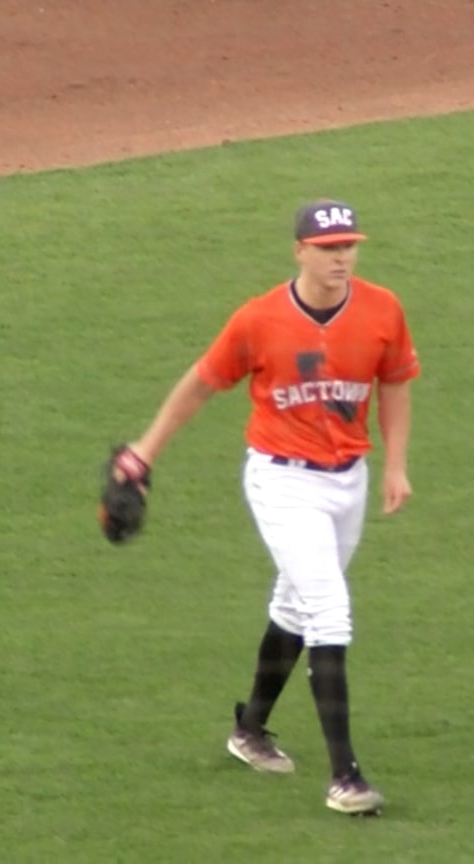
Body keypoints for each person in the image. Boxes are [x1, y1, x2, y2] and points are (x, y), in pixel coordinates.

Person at [115, 199, 419, 815]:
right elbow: (201, 382)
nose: (342, 258)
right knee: (329, 610)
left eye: (349, 246)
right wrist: (144, 453)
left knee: (295, 603)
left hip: (348, 482)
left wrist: (394, 464)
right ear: (300, 251)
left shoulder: (382, 308)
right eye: (329, 248)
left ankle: (249, 730)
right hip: (282, 483)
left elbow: (396, 380)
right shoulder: (259, 320)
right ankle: (346, 779)